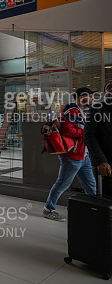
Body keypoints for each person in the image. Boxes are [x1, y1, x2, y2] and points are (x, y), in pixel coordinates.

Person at [43, 87, 97, 221]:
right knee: (62, 184)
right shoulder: (73, 112)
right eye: (90, 96)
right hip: (72, 157)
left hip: (83, 156)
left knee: (91, 186)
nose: (92, 99)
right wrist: (86, 132)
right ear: (81, 98)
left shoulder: (83, 112)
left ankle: (95, 211)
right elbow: (68, 130)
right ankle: (48, 209)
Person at [85, 81, 112, 196]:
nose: (111, 90)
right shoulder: (97, 109)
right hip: (107, 165)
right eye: (109, 87)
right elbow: (89, 135)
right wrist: (100, 161)